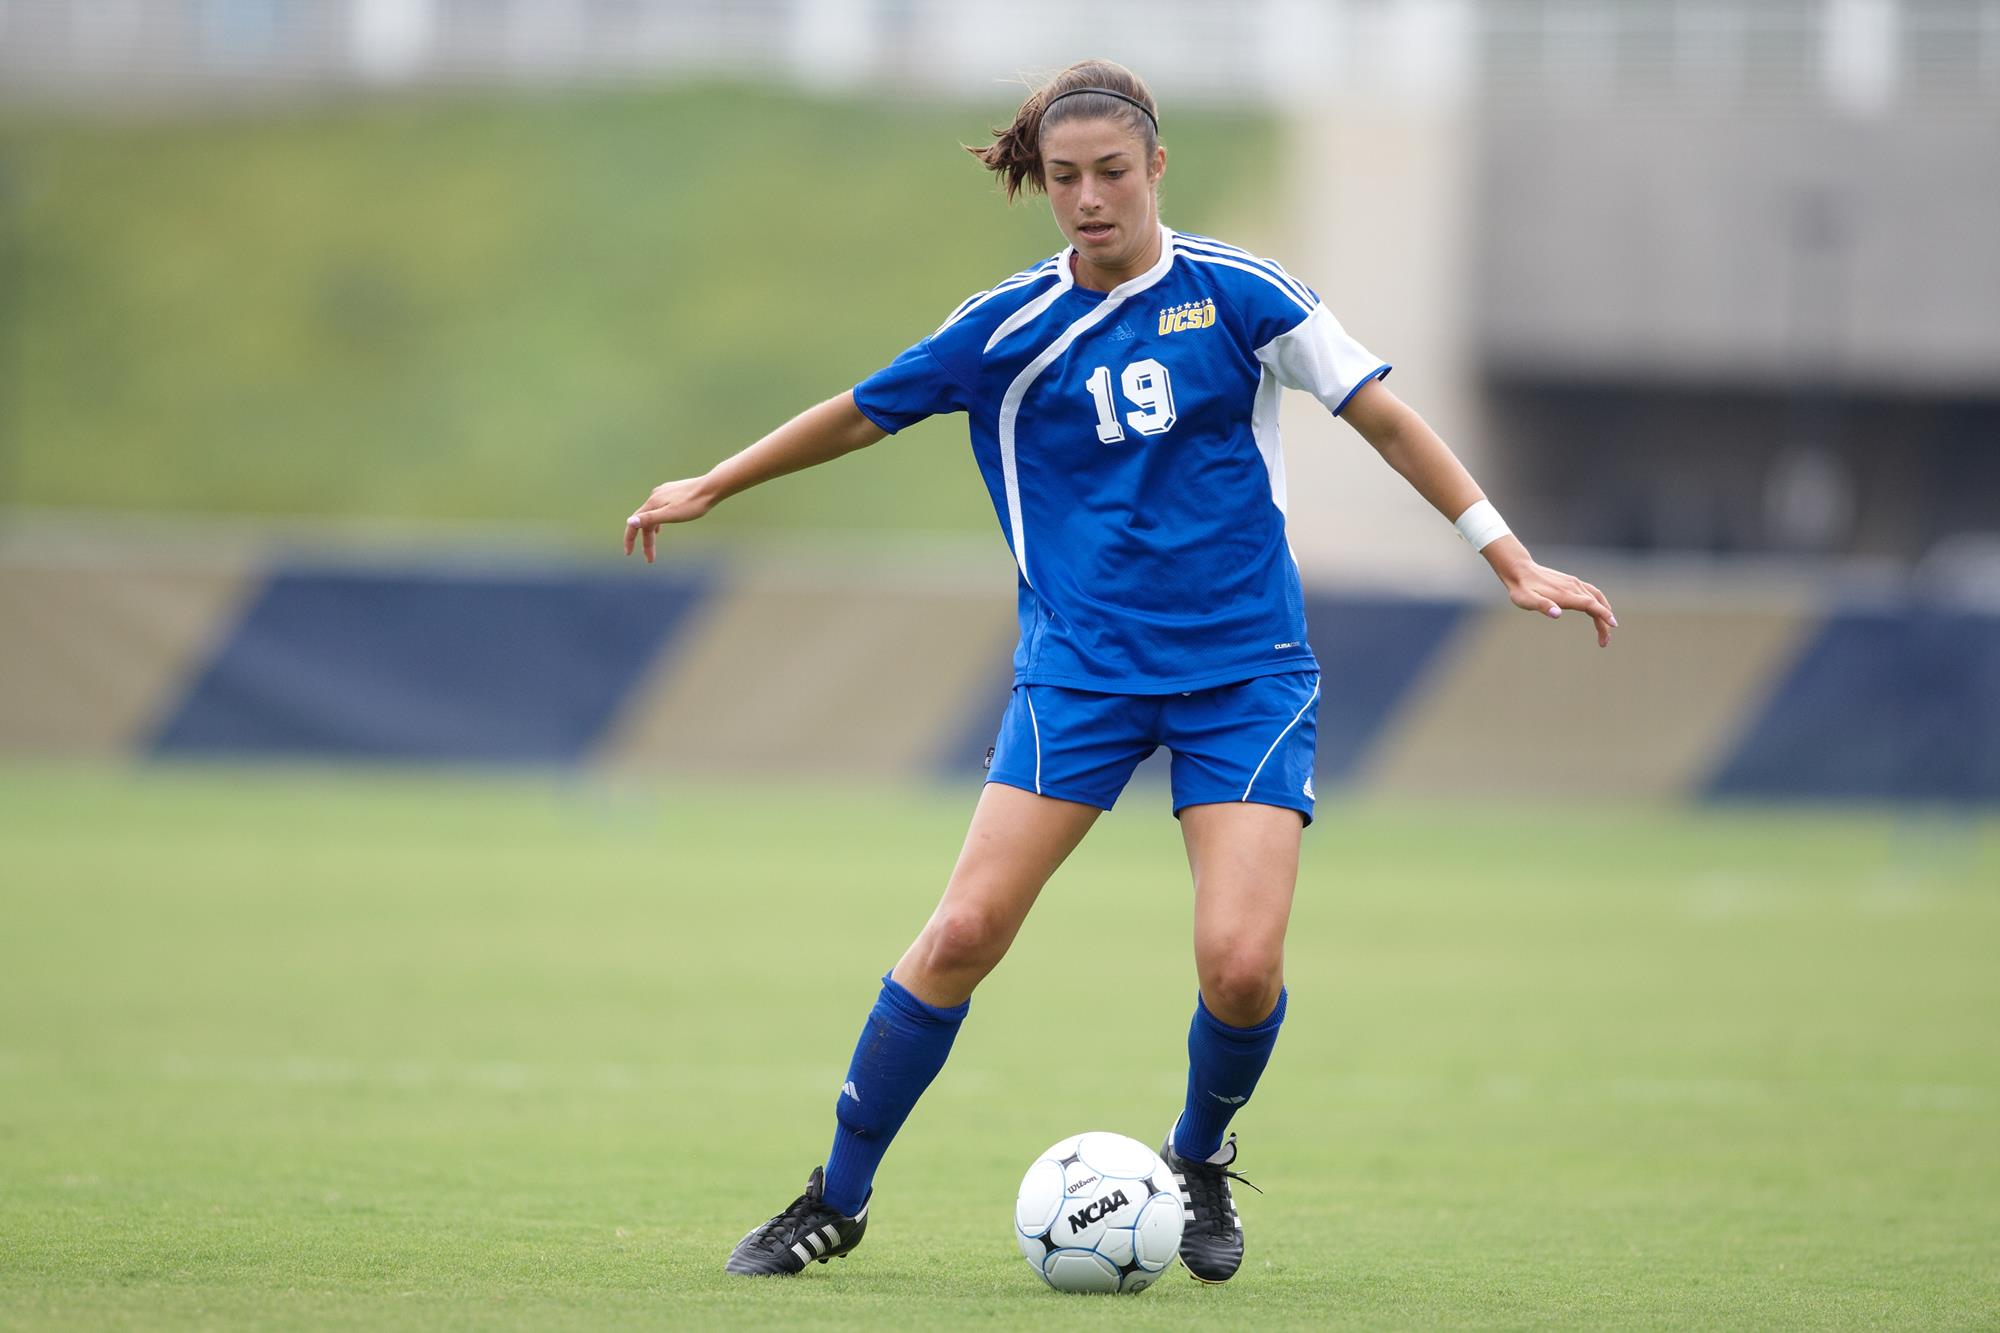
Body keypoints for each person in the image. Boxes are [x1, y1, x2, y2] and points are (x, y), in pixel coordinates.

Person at [623, 58, 1615, 1283]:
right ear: (1039, 184)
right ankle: (835, 1193)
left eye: (1107, 172)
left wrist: (1505, 556)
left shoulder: (1241, 293)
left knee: (1241, 966)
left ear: (1155, 168)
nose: (1087, 198)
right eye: (1061, 179)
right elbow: (858, 409)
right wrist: (718, 479)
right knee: (963, 930)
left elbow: (1385, 416)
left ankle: (1194, 1157)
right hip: (1080, 674)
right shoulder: (1002, 327)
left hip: (1244, 674)